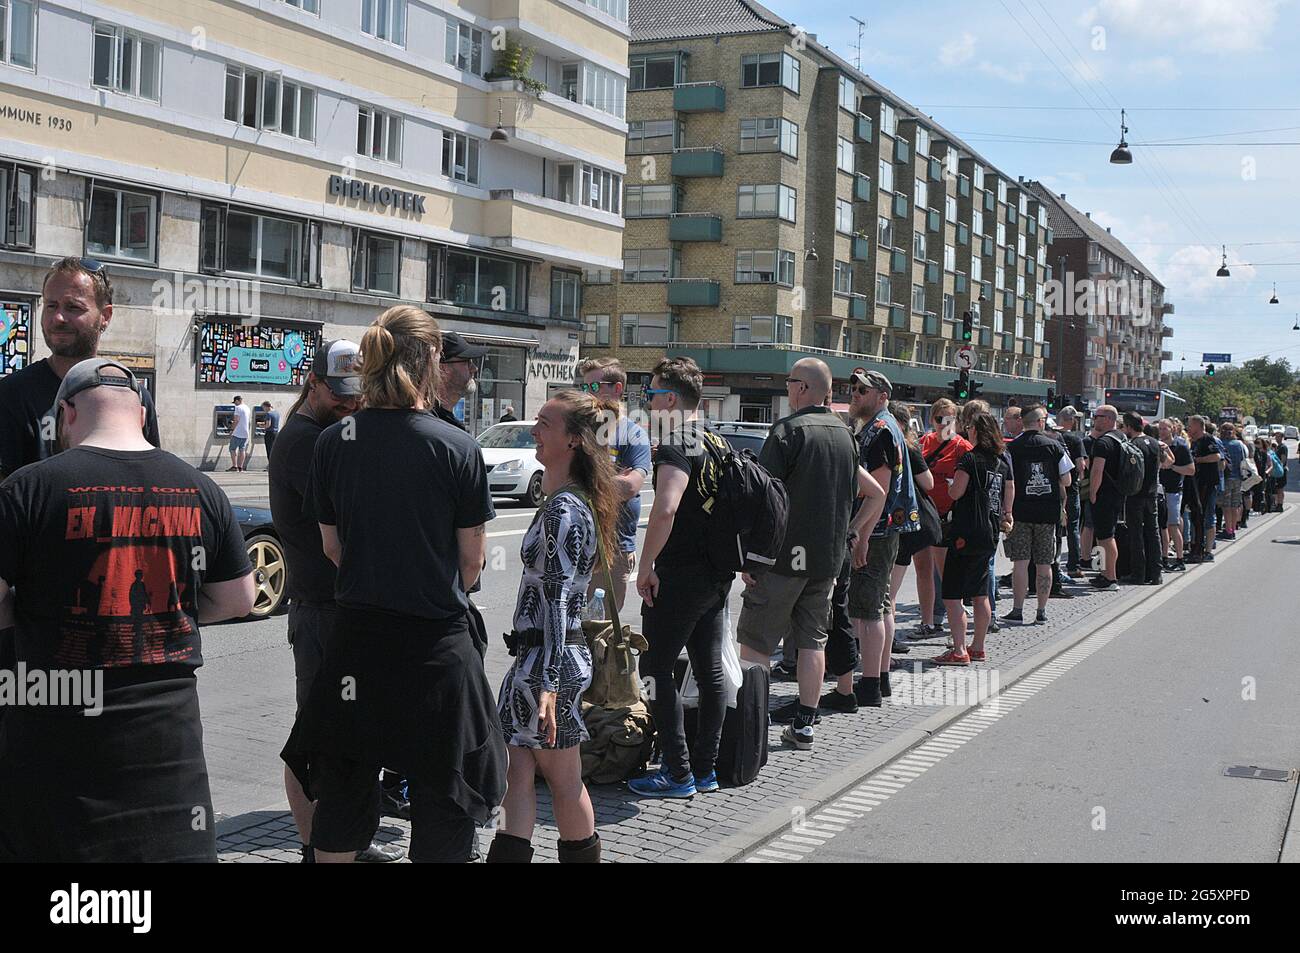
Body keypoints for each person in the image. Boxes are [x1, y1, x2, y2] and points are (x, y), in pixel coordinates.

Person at [0, 359, 255, 861]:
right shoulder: (201, 489)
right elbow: (239, 598)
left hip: (57, 737)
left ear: (67, 414)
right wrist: (164, 618)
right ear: (141, 413)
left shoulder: (28, 488)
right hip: (168, 748)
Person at [282, 305, 506, 863]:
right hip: (435, 649)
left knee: (343, 795)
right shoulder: (456, 446)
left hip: (357, 642)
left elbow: (332, 549)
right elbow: (472, 565)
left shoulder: (335, 442)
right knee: (444, 800)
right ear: (431, 358)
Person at [268, 340, 402, 863]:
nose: (351, 404)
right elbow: (355, 520)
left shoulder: (323, 434)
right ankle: (317, 846)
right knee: (318, 741)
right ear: (313, 383)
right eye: (341, 394)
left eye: (358, 394)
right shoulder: (307, 442)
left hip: (331, 610)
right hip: (323, 610)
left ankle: (335, 843)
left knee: (334, 735)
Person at [489, 390, 617, 863]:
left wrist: (549, 682)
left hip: (549, 661)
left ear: (575, 441)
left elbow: (561, 598)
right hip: (538, 657)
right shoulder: (566, 501)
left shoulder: (564, 510)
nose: (535, 430)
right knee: (517, 774)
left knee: (563, 780)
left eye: (545, 422)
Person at [735, 358, 866, 750]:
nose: (788, 389)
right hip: (827, 558)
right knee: (813, 640)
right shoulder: (847, 435)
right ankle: (806, 725)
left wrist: (752, 557)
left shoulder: (788, 431)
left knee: (756, 642)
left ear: (803, 388)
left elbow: (764, 499)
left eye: (790, 382)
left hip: (782, 558)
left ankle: (750, 725)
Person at [629, 358, 733, 798]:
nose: (647, 404)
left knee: (654, 667)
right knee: (709, 673)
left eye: (650, 396)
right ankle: (705, 770)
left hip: (680, 576)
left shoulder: (677, 444)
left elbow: (666, 507)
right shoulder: (716, 441)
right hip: (716, 574)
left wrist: (647, 566)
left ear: (670, 399)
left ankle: (677, 771)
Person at [0, 257, 160, 479]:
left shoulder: (133, 396)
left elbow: (150, 478)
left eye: (73, 307)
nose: (58, 317)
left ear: (105, 316)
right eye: (51, 305)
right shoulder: (11, 395)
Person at [844, 370, 914, 708]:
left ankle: (869, 684)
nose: (855, 394)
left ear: (882, 396)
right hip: (884, 527)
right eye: (853, 389)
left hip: (879, 529)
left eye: (863, 390)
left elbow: (881, 491)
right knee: (881, 604)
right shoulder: (881, 427)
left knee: (868, 608)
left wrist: (862, 533)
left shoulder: (881, 431)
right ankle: (880, 677)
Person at [931, 412, 1013, 666]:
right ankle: (978, 646)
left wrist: (949, 483)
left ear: (975, 431)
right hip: (989, 531)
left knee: (952, 594)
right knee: (980, 594)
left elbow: (956, 492)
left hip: (965, 531)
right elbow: (1010, 490)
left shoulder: (970, 458)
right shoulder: (1001, 461)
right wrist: (1007, 515)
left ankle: (958, 650)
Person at [576, 357, 651, 612]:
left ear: (617, 389)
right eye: (584, 387)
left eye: (595, 387)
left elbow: (630, 487)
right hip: (575, 538)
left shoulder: (633, 434)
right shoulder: (579, 429)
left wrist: (584, 483)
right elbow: (553, 482)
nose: (588, 394)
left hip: (614, 547)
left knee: (602, 627)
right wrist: (609, 482)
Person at [1003, 405, 1070, 624]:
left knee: (1020, 562)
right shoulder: (1054, 446)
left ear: (1023, 422)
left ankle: (1017, 609)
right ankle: (1041, 611)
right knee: (1044, 562)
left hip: (1021, 511)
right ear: (1041, 422)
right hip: (1047, 513)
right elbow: (1067, 480)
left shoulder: (1012, 447)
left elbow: (1007, 480)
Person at [912, 398, 971, 639]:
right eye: (939, 419)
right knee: (922, 569)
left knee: (948, 575)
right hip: (922, 515)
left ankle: (955, 627)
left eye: (949, 420)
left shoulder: (962, 447)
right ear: (932, 420)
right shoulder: (923, 442)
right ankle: (928, 623)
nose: (944, 424)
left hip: (947, 518)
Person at [887, 403, 934, 652]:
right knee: (890, 591)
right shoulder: (909, 448)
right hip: (904, 521)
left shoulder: (874, 440)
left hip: (881, 521)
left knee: (885, 588)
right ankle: (888, 642)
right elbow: (929, 482)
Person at [1121, 412, 1163, 586]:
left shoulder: (1132, 444)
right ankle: (1156, 573)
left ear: (1129, 426)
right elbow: (1163, 463)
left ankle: (1139, 573)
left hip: (1136, 495)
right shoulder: (1154, 443)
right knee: (1153, 534)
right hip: (1152, 493)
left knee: (1136, 534)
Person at [1086, 405, 1123, 589]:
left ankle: (1110, 577)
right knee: (1103, 536)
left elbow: (1097, 470)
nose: (1094, 419)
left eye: (1097, 416)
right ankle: (1103, 573)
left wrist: (1092, 492)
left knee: (1106, 537)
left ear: (1108, 419)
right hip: (1117, 493)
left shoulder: (1103, 443)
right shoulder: (1121, 438)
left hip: (1104, 495)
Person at [1158, 418, 1194, 572]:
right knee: (1162, 527)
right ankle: (1164, 557)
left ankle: (1180, 559)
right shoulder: (1157, 445)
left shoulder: (1181, 446)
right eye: (1159, 429)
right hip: (1159, 490)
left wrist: (1172, 466)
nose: (1161, 431)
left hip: (1174, 491)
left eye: (1164, 428)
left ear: (1172, 429)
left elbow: (1191, 470)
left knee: (1173, 525)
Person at [1055, 407, 1087, 579]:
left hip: (1056, 490)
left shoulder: (1052, 437)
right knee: (1073, 527)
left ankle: (1054, 563)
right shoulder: (1076, 440)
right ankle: (1073, 566)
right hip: (1072, 489)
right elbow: (1081, 465)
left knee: (1056, 528)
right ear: (1071, 420)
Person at [434, 332, 487, 432]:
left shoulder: (448, 423)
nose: (474, 368)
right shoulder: (430, 422)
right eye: (467, 362)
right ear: (443, 368)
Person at [1186, 416, 1221, 563]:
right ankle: (1196, 548)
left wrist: (1199, 460)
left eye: (1190, 425)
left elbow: (1217, 456)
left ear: (1198, 426)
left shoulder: (1208, 439)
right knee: (1196, 517)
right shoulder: (1193, 441)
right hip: (1196, 483)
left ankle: (1207, 551)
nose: (1188, 428)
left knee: (1207, 516)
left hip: (1208, 483)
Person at [1217, 422, 1247, 540]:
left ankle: (1228, 530)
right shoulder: (1239, 444)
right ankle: (1233, 529)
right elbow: (1243, 459)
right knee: (1235, 506)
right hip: (1238, 477)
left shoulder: (1221, 443)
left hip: (1226, 477)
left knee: (1226, 506)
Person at [229, 395, 252, 472]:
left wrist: (231, 429)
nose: (235, 404)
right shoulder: (247, 408)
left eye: (235, 402)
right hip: (245, 433)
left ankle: (234, 466)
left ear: (237, 401)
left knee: (232, 449)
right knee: (242, 450)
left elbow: (236, 420)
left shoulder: (238, 408)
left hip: (237, 432)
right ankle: (240, 467)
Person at [1273, 435, 1288, 511]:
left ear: (1281, 438)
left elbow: (1283, 459)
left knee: (1280, 488)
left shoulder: (1283, 447)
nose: (1276, 438)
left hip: (1281, 471)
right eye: (1276, 437)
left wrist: (1281, 468)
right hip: (1277, 471)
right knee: (1277, 488)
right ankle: (1277, 504)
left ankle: (1280, 505)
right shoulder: (1278, 447)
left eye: (1278, 437)